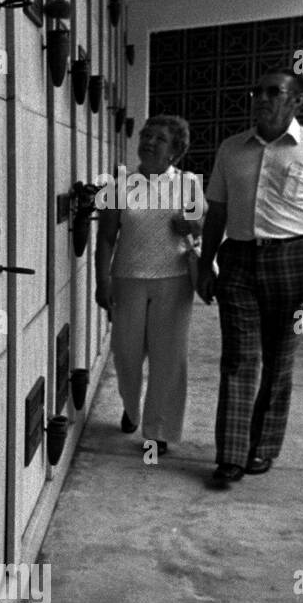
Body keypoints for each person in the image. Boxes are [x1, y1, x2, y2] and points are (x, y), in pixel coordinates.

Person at [197, 66, 303, 489]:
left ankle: (262, 446)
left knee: (280, 360)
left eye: (273, 92)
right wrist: (206, 265)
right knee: (239, 359)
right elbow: (217, 213)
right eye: (257, 91)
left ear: (296, 100)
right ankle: (231, 455)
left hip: (293, 263)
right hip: (238, 261)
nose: (262, 98)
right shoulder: (230, 149)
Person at [95, 115, 200, 457]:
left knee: (168, 359)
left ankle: (158, 431)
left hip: (174, 281)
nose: (150, 142)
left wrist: (191, 224)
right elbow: (107, 238)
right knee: (126, 356)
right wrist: (102, 280)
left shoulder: (188, 184)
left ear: (175, 151)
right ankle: (131, 406)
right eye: (146, 135)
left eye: (160, 139)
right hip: (128, 280)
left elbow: (203, 229)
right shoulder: (118, 184)